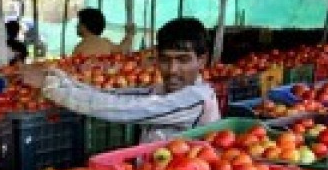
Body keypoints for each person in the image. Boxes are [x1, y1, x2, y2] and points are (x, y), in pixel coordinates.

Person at [22, 17, 221, 142]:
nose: (172, 70)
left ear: (202, 60)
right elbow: (113, 95)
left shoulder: (197, 98)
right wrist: (59, 79)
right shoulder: (161, 90)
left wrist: (51, 88)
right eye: (165, 60)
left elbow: (126, 109)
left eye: (183, 60)